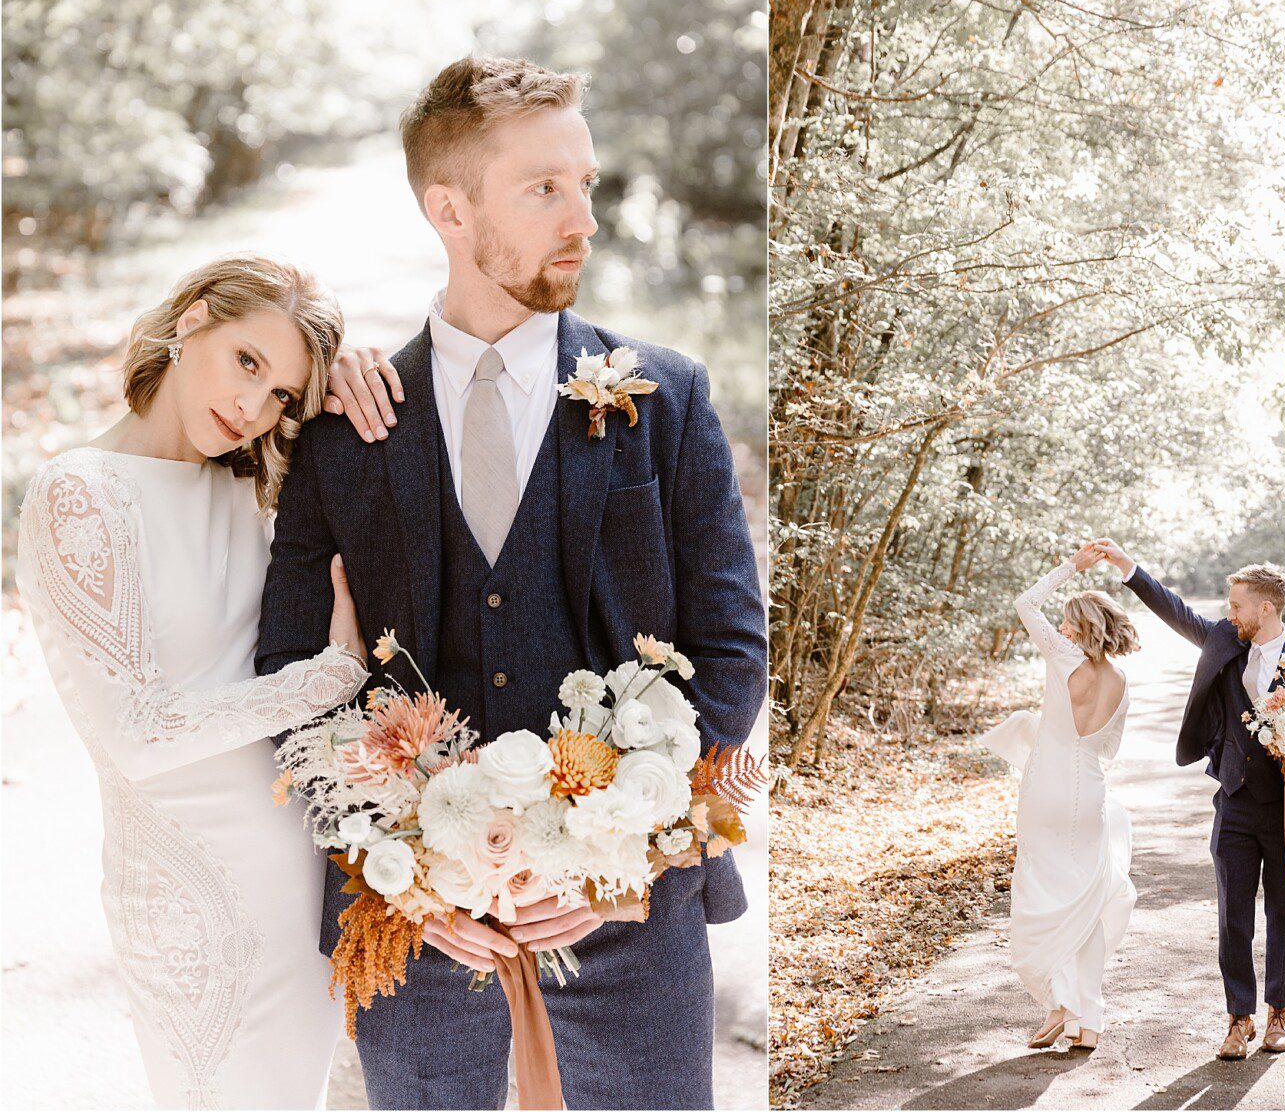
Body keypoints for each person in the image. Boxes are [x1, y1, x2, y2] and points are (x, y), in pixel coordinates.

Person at [255, 54, 766, 1110]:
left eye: (585, 183)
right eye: (544, 188)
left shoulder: (665, 396)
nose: (584, 217)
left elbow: (730, 649)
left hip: (630, 918)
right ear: (450, 209)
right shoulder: (343, 433)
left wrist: (621, 855)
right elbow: (290, 677)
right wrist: (402, 869)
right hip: (416, 935)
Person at [15, 253, 406, 1108]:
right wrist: (328, 678)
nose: (250, 408)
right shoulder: (79, 494)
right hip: (192, 899)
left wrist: (351, 376)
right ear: (192, 319)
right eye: (246, 362)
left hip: (300, 875)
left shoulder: (247, 485)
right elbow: (137, 733)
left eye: (280, 395)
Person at [1091, 538, 1285, 1060]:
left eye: (1237, 605)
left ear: (1265, 608)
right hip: (1234, 802)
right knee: (1233, 916)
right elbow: (1175, 610)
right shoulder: (1225, 641)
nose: (1230, 614)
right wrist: (1127, 566)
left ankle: (1279, 1014)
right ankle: (1238, 1018)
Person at [982, 541, 1141, 1051]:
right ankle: (1085, 1021)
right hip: (1088, 794)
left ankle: (1058, 1000)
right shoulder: (1121, 682)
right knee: (1085, 905)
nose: (1064, 629)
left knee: (1040, 894)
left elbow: (1025, 602)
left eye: (1069, 622)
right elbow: (1108, 749)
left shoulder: (1062, 658)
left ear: (1081, 626)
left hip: (1046, 787)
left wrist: (1073, 566)